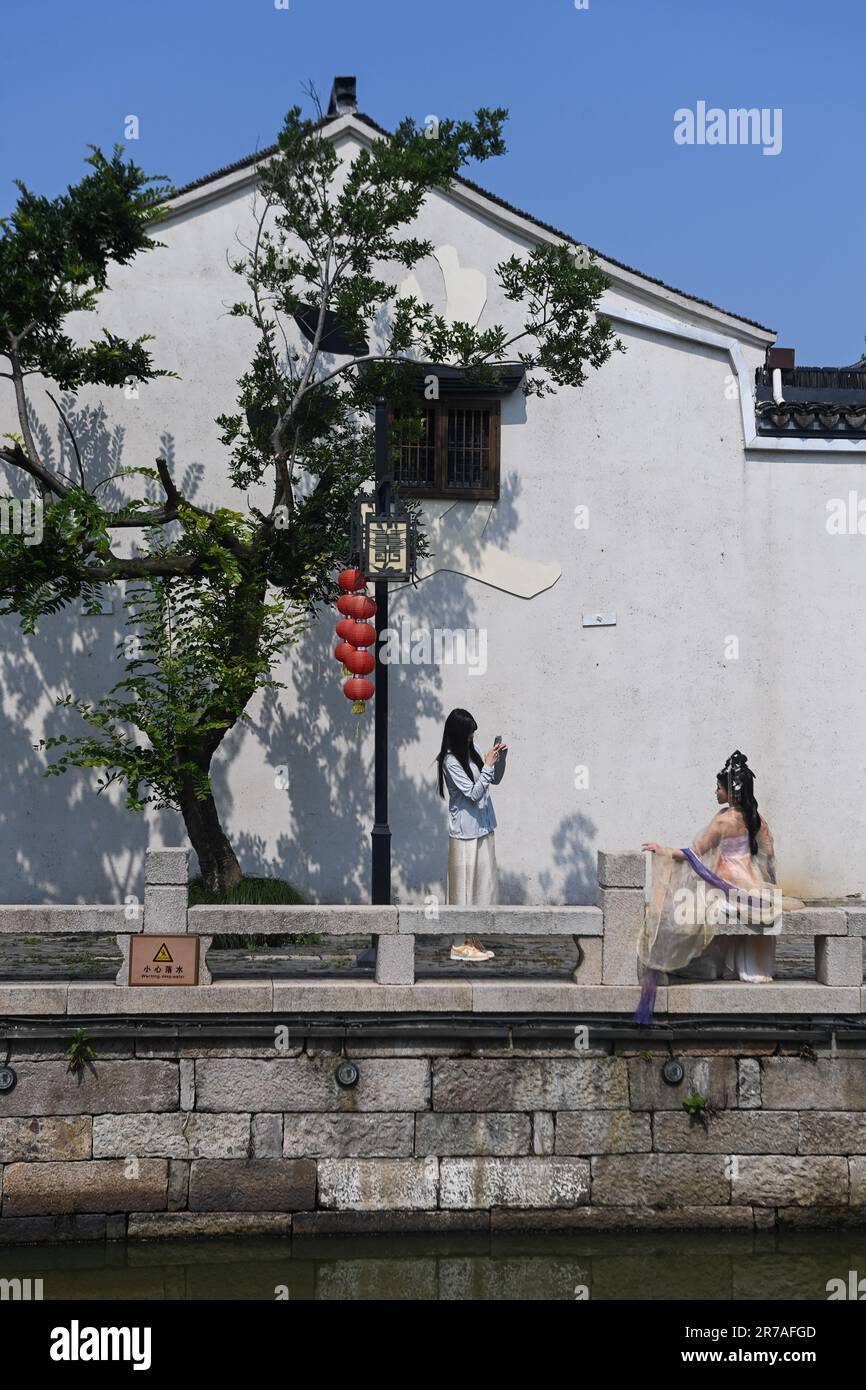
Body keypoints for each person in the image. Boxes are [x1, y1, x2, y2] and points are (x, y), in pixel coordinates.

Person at [635, 750, 802, 1022]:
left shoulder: (723, 820)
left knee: (683, 904)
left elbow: (696, 851)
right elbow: (769, 852)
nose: (715, 792)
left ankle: (700, 962)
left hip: (724, 882)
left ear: (730, 793)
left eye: (719, 787)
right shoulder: (755, 818)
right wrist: (767, 880)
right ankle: (738, 966)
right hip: (750, 882)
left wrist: (663, 850)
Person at [436, 708, 507, 962]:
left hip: (483, 828)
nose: (471, 739)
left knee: (481, 887)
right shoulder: (450, 761)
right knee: (462, 888)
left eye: (473, 735)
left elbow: (492, 781)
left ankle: (472, 936)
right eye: (468, 734)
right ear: (458, 734)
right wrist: (487, 766)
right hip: (464, 834)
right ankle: (458, 944)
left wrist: (499, 759)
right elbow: (474, 794)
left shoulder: (471, 753)